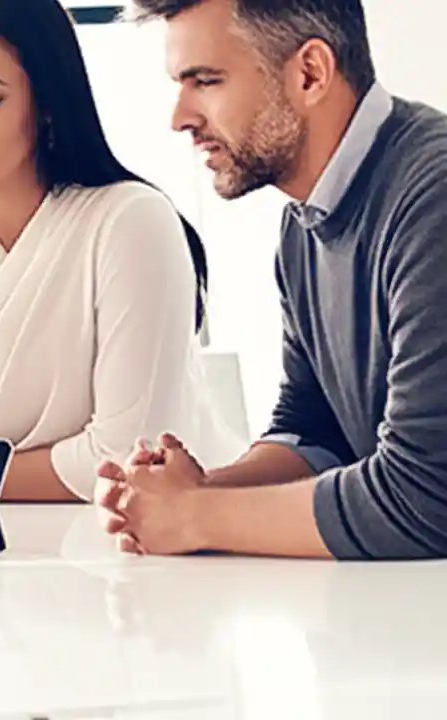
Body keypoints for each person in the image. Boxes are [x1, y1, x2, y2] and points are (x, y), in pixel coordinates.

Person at [95, 0, 447, 560]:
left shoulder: (434, 196)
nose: (179, 117)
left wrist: (194, 517)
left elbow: (427, 497)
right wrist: (195, 491)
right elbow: (317, 434)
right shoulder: (303, 223)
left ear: (310, 73)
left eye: (205, 81)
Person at [0, 0, 242, 502]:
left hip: (168, 541)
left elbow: (124, 457)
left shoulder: (129, 221)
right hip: (7, 546)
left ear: (46, 102)